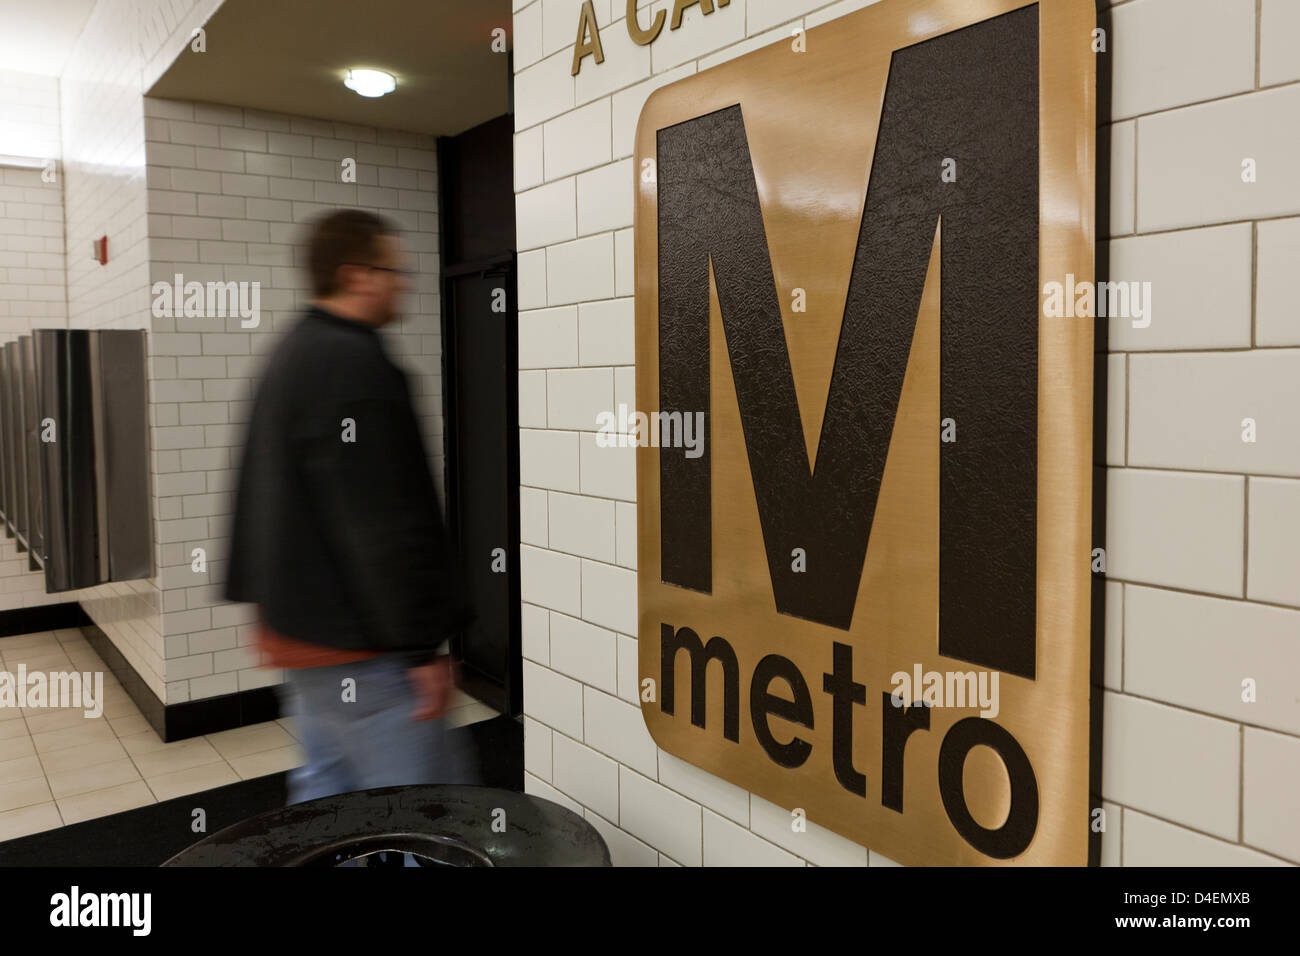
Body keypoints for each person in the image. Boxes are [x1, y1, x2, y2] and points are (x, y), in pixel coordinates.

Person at [223, 208, 480, 807]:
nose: (404, 282)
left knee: (328, 802)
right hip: (364, 648)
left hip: (303, 637)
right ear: (357, 275)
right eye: (395, 270)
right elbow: (384, 522)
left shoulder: (292, 350)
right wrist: (423, 650)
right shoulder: (355, 365)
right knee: (426, 814)